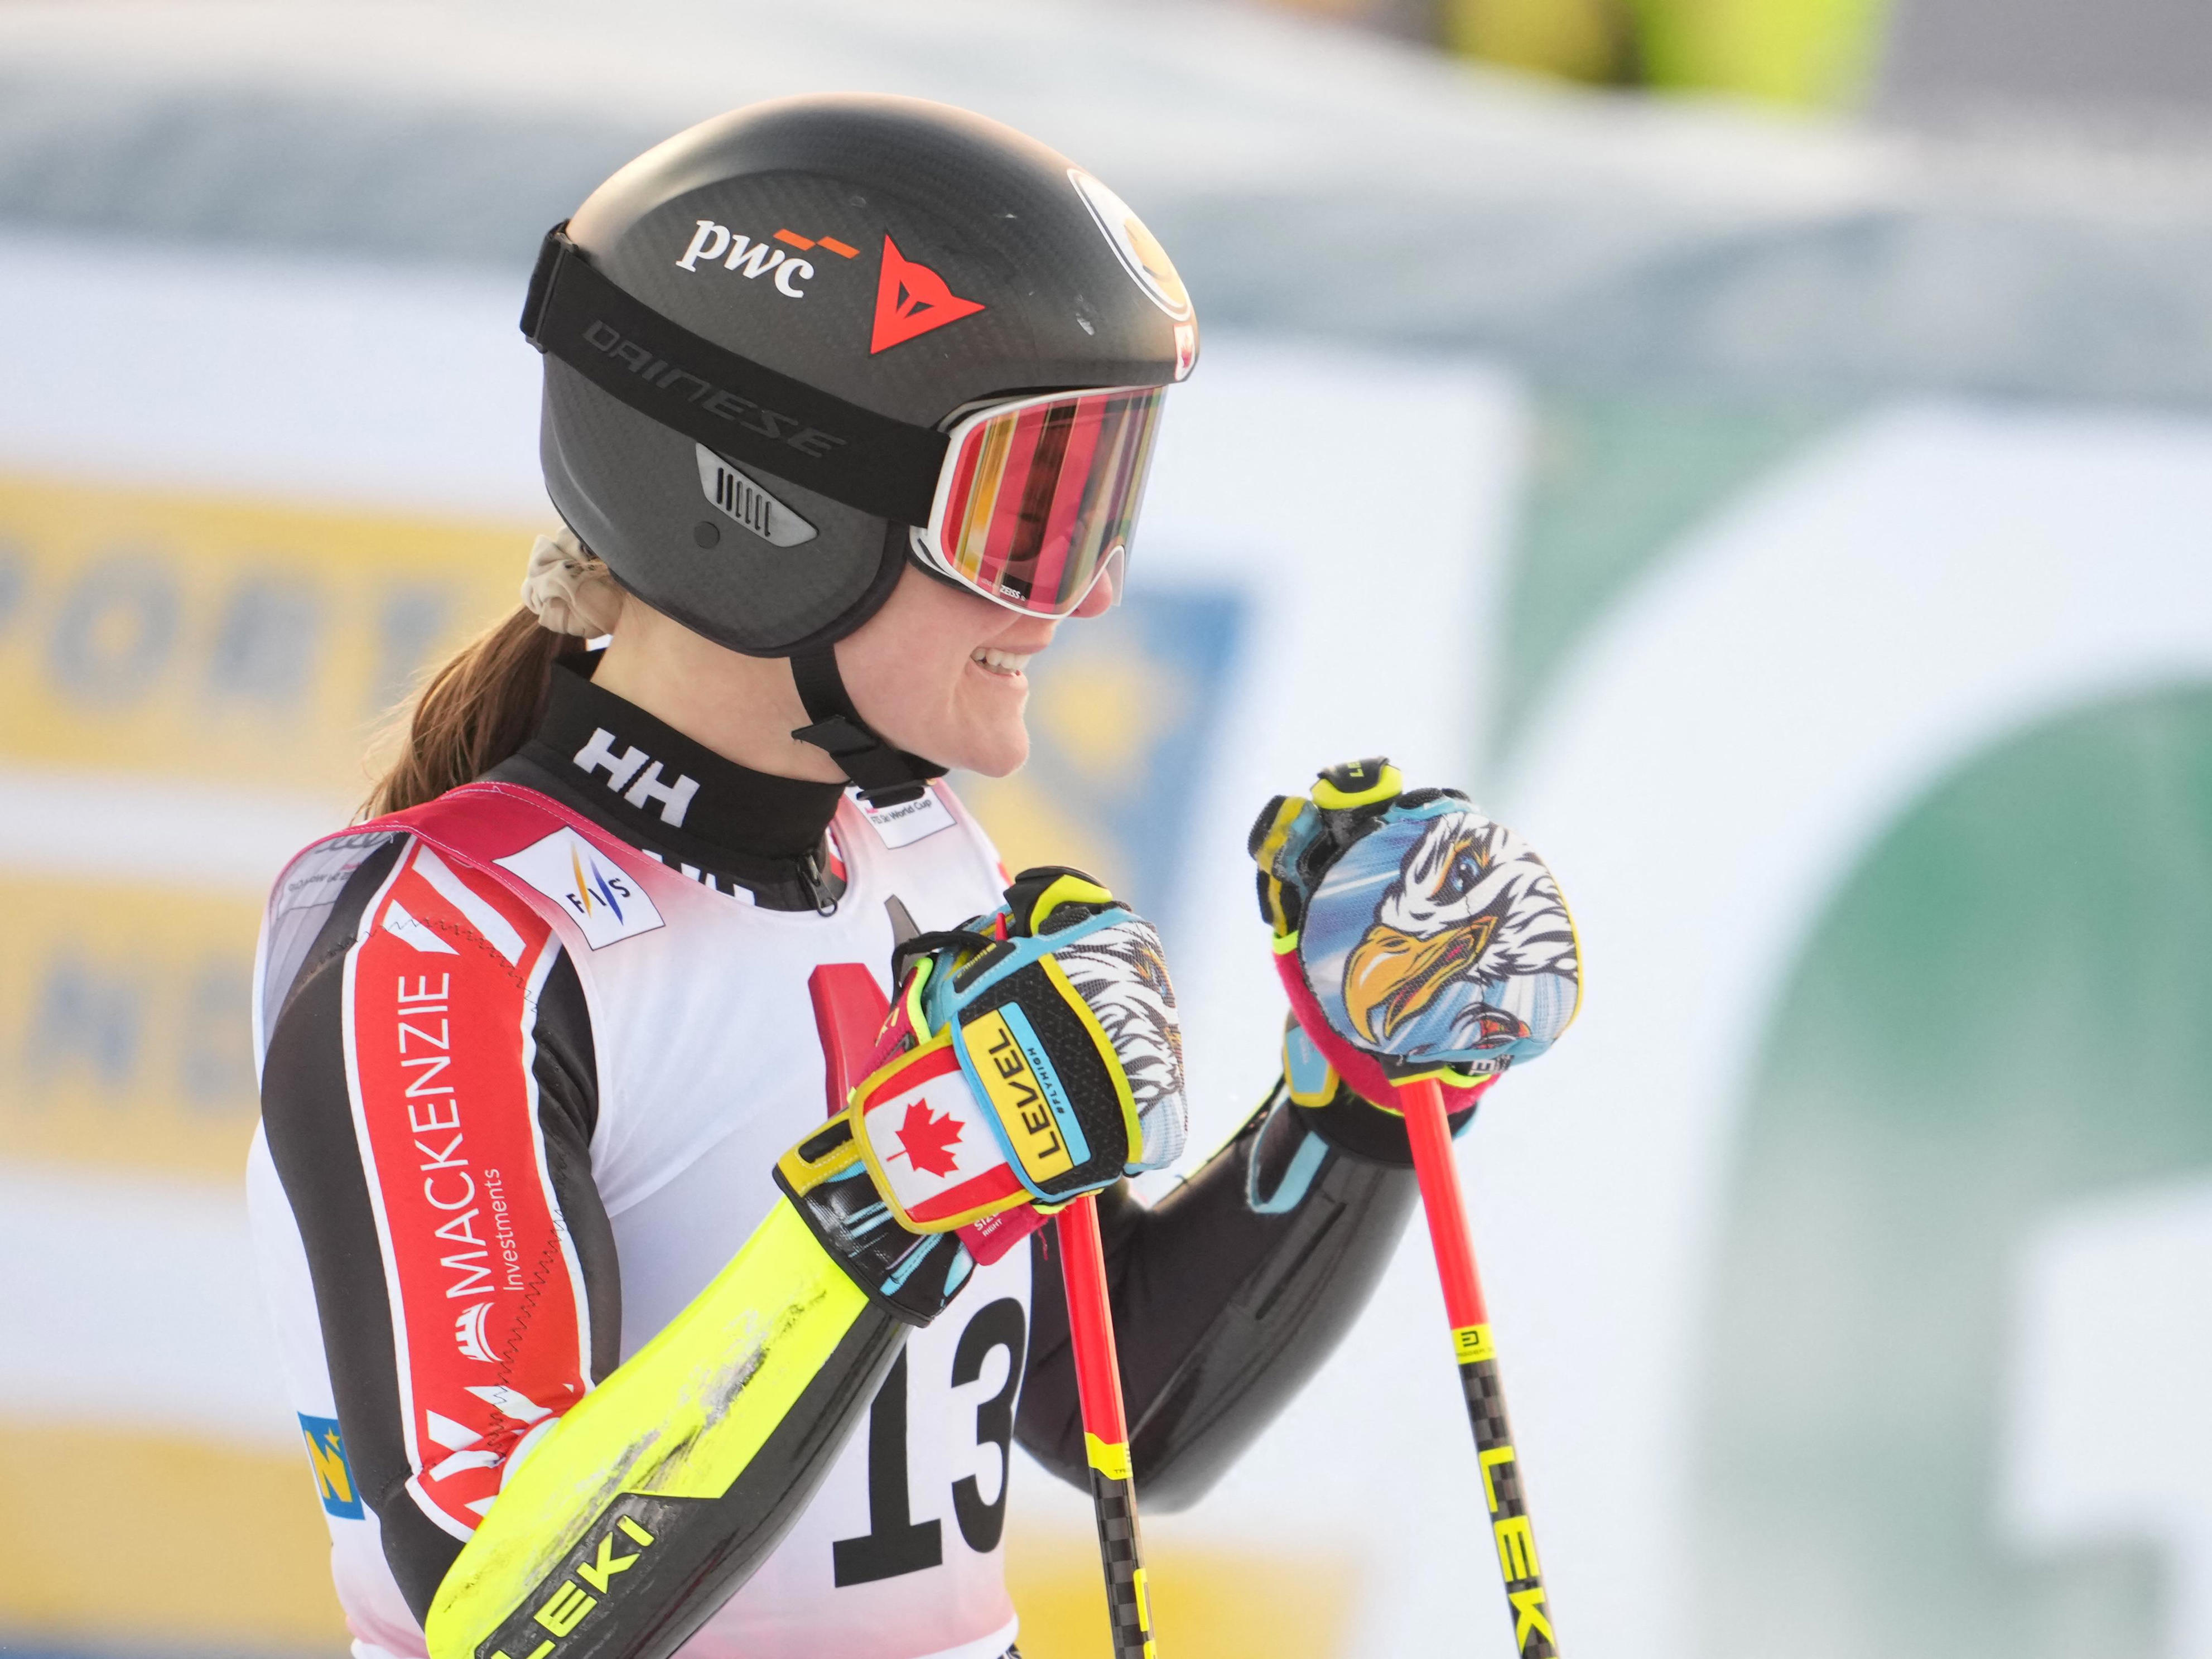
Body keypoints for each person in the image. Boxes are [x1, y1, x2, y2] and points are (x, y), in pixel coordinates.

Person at [248, 94, 1457, 1659]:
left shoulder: (917, 855)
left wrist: (1360, 1091)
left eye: (1102, 507)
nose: (1080, 596)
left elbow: (1121, 1411)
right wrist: (890, 1199)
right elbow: (511, 1610)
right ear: (774, 509)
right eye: (1026, 515)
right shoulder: (455, 936)